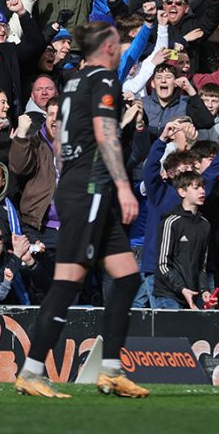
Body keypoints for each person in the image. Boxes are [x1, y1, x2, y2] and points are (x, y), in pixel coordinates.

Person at [14, 21, 148, 399]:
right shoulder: (104, 81)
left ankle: (111, 371)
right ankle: (32, 370)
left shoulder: (72, 82)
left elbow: (59, 140)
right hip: (91, 188)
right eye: (119, 42)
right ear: (107, 46)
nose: (121, 47)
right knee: (69, 280)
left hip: (83, 185)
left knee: (126, 277)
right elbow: (107, 132)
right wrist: (122, 186)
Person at [152, 172, 213, 309]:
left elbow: (201, 265)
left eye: (203, 187)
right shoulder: (171, 222)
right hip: (169, 295)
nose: (202, 191)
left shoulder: (205, 225)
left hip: (192, 294)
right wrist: (182, 288)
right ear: (182, 192)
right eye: (196, 188)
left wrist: (204, 290)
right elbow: (163, 264)